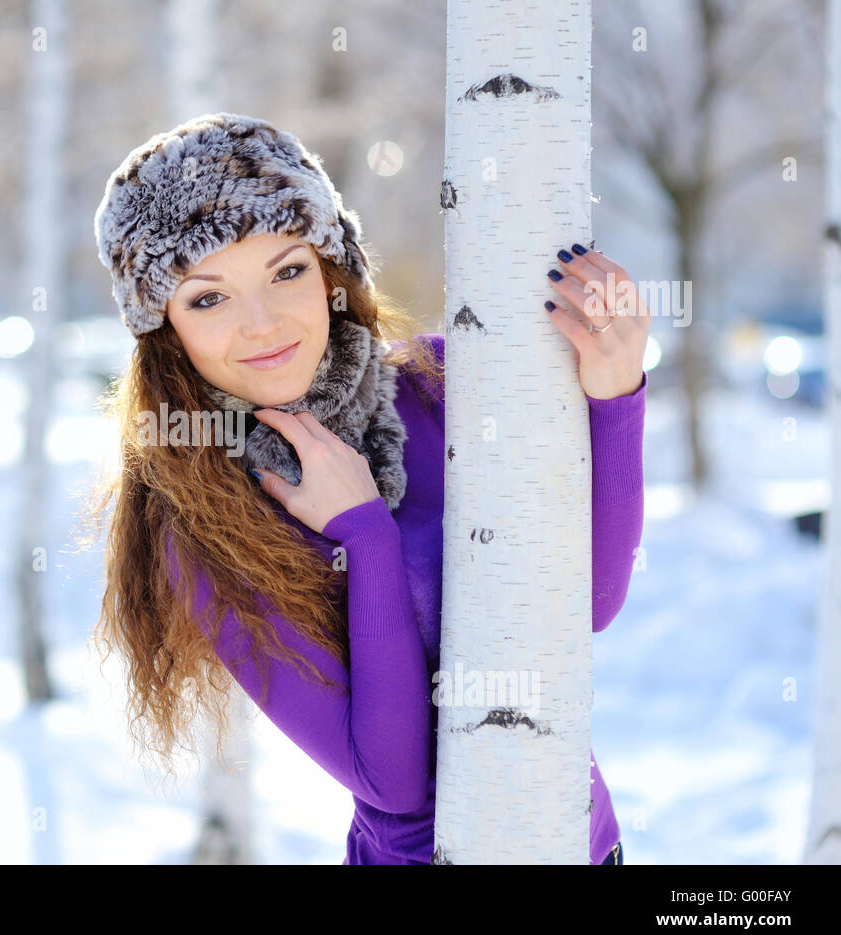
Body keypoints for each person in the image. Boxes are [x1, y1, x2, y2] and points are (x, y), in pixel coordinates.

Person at [86, 111, 646, 864]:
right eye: (207, 297)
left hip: (581, 844)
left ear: (330, 270)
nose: (262, 324)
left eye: (288, 271)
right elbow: (394, 779)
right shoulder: (201, 525)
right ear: (163, 327)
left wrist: (616, 395)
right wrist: (364, 534)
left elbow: (588, 605)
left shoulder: (440, 384)